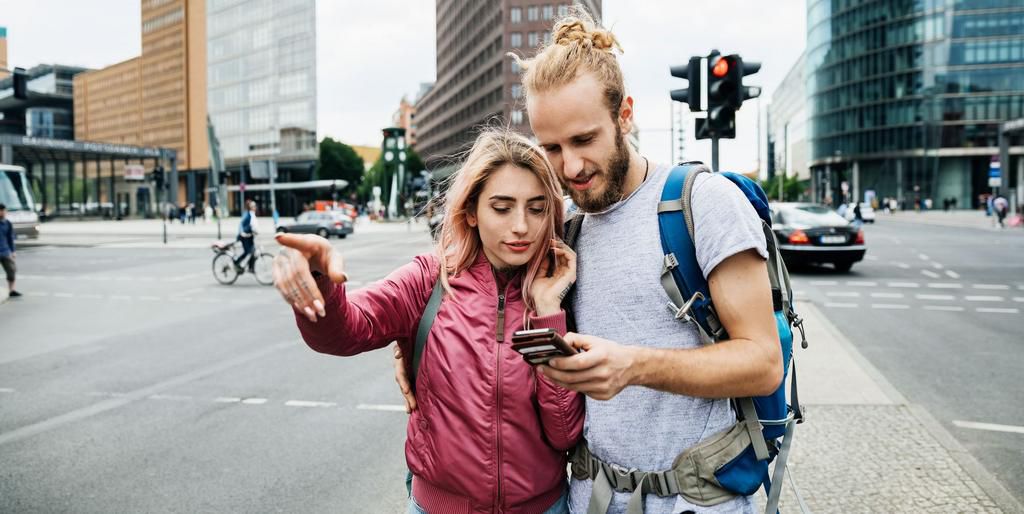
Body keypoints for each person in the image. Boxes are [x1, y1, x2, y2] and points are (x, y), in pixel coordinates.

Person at [399, 12, 782, 514]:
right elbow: (482, 301)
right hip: (589, 499)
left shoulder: (701, 204)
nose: (571, 167)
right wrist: (415, 343)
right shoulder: (564, 230)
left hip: (696, 502)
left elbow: (763, 362)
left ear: (625, 115)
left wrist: (634, 365)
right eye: (552, 147)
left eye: (584, 140)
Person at [273, 130, 585, 514]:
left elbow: (564, 433)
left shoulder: (566, 285)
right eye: (502, 208)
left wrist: (548, 311)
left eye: (536, 209)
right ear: (471, 211)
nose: (521, 226)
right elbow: (344, 332)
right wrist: (319, 279)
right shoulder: (429, 280)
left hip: (544, 507)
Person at [0, 204, 21, 298]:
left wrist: (13, 251)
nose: (3, 212)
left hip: (5, 251)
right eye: (1, 211)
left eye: (4, 210)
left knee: (12, 270)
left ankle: (11, 290)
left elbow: (10, 238)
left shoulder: (7, 223)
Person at [234, 200, 259, 273]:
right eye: (253, 206)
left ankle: (251, 268)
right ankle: (237, 263)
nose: (255, 207)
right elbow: (241, 224)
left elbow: (254, 226)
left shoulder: (252, 214)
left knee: (253, 251)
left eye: (255, 206)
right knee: (247, 251)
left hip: (250, 236)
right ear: (250, 207)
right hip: (244, 237)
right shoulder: (247, 214)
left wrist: (256, 232)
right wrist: (241, 232)